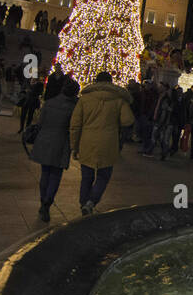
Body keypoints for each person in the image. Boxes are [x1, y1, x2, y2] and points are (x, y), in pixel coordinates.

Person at [69, 71, 135, 215]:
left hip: (87, 142)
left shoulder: (85, 99)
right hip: (108, 143)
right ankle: (92, 201)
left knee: (86, 176)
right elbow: (128, 120)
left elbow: (75, 124)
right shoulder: (118, 99)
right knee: (104, 176)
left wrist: (74, 146)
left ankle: (83, 203)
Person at [30, 77, 79, 222]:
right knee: (55, 175)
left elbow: (40, 122)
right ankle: (47, 203)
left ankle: (43, 201)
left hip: (45, 139)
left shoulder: (50, 102)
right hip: (61, 142)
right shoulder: (74, 107)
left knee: (45, 173)